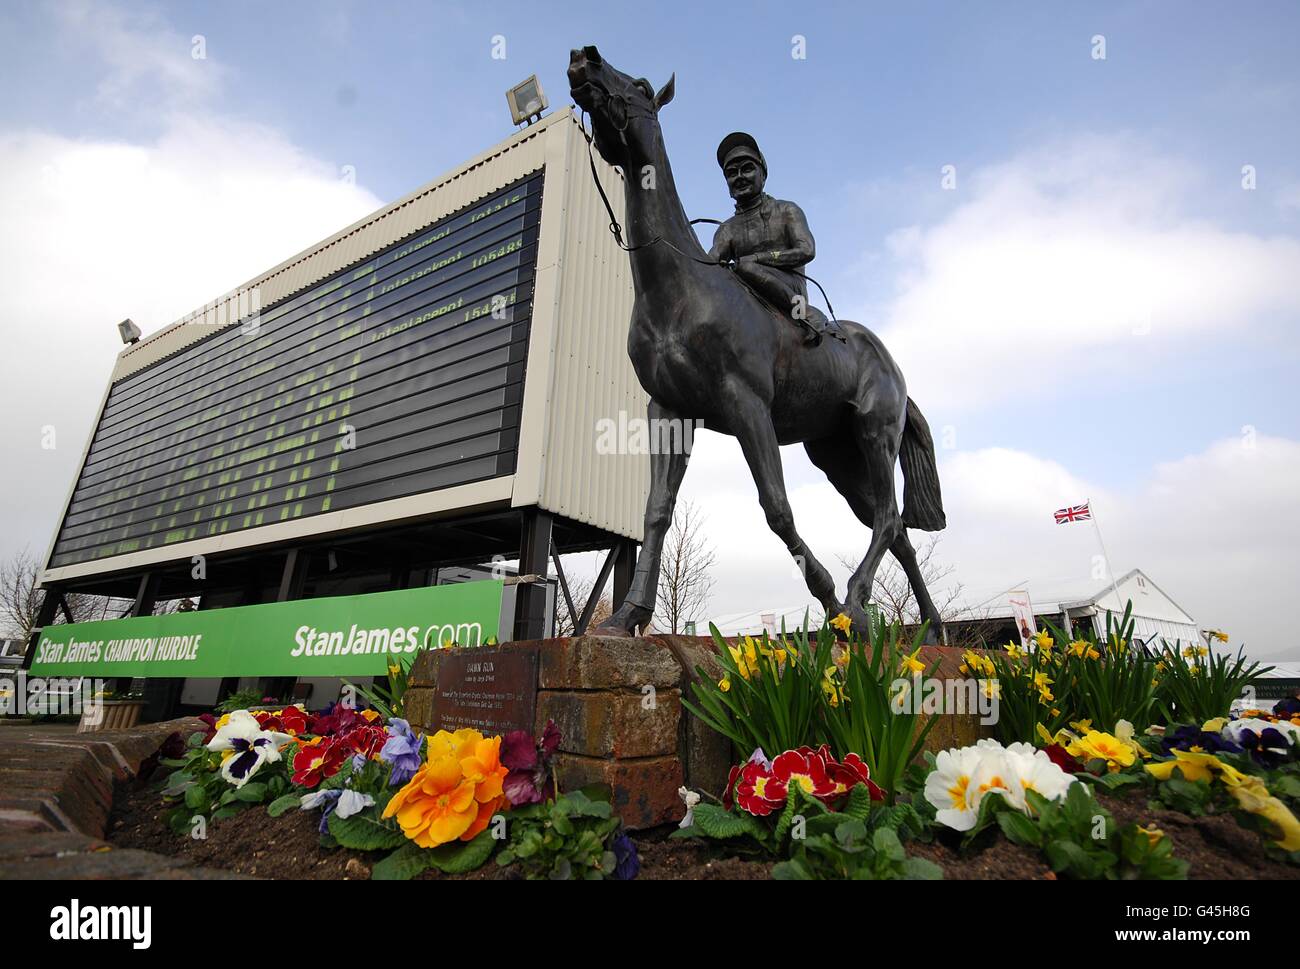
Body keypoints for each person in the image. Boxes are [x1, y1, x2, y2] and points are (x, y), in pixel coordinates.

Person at [707, 131, 839, 345]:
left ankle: (808, 314)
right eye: (732, 173)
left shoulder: (787, 210)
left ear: (763, 174)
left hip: (790, 291)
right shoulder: (726, 229)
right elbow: (709, 265)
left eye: (747, 169)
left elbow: (807, 250)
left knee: (745, 268)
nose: (739, 176)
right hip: (748, 294)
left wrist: (757, 258)